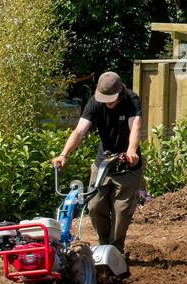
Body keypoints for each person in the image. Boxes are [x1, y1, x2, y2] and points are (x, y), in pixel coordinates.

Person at [52, 71, 145, 254]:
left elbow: (135, 126)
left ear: (120, 91)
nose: (107, 102)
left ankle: (115, 251)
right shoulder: (94, 102)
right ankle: (104, 247)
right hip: (103, 163)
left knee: (121, 212)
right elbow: (79, 131)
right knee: (94, 207)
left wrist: (132, 151)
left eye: (111, 98)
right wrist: (64, 154)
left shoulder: (131, 100)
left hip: (127, 164)